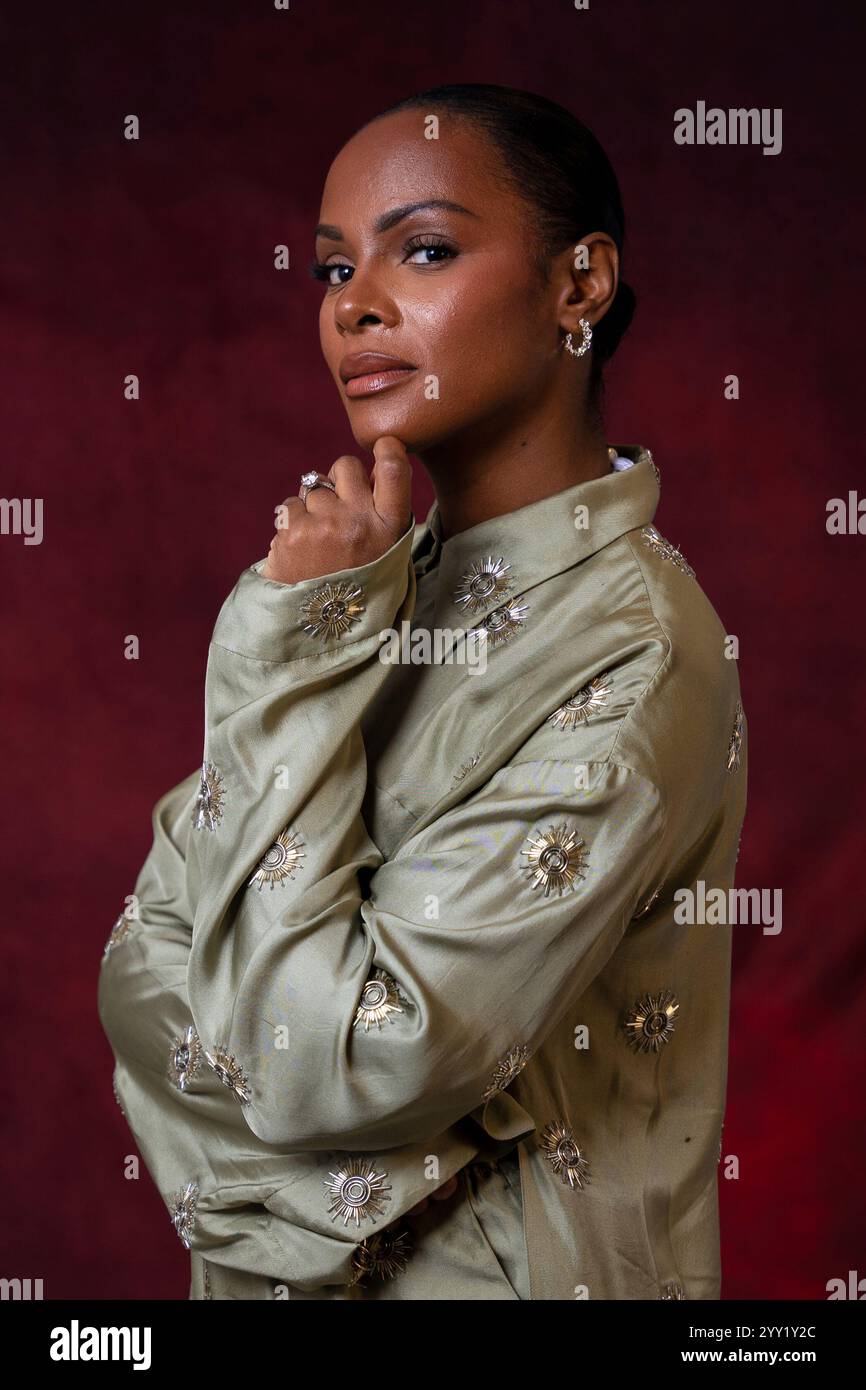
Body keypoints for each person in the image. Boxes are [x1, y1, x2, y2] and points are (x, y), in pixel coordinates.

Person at [98, 82, 747, 1301]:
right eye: (329, 271)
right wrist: (309, 631)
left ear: (578, 286)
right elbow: (140, 966)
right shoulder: (363, 587)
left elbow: (338, 1065)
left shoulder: (634, 650)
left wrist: (296, 650)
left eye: (426, 250)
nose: (355, 307)